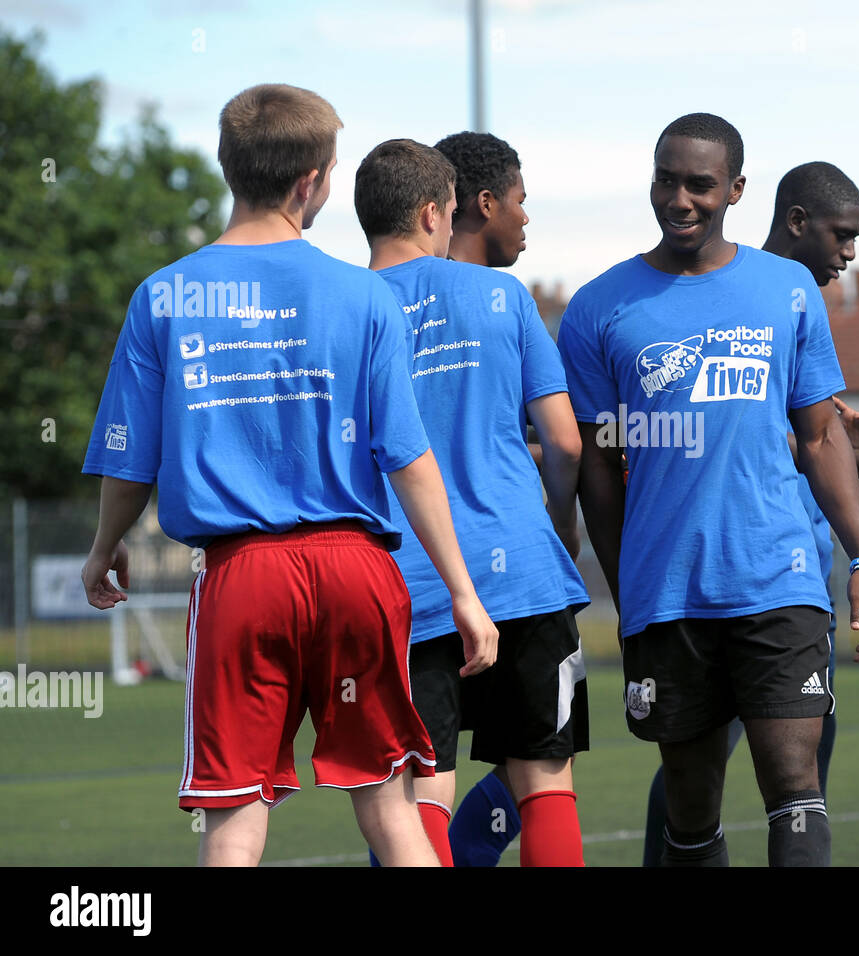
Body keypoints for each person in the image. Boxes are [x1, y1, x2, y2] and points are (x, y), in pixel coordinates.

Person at [79, 85, 496, 867]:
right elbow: (407, 458)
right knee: (391, 807)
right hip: (356, 573)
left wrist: (105, 546)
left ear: (226, 165)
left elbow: (130, 458)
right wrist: (464, 593)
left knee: (233, 819)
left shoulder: (163, 295)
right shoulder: (366, 295)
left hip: (242, 578)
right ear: (312, 181)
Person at [559, 113, 859, 867]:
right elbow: (600, 473)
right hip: (668, 599)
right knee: (691, 805)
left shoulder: (789, 290)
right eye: (665, 180)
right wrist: (625, 593)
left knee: (796, 784)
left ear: (736, 190)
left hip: (779, 581)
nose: (680, 199)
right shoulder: (598, 308)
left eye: (700, 184)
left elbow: (821, 436)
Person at [639, 160, 859, 865]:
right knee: (693, 773)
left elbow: (807, 447)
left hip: (793, 583)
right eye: (842, 234)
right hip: (710, 584)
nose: (850, 253)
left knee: (801, 781)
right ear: (797, 221)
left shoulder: (798, 304)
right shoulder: (735, 296)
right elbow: (747, 443)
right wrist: (858, 464)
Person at [354, 139, 590, 867]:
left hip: (407, 582)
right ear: (437, 211)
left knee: (423, 794)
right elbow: (566, 442)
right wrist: (558, 528)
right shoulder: (504, 297)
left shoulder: (345, 307)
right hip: (521, 570)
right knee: (544, 782)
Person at [434, 131, 528, 268]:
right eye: (520, 202)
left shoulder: (407, 282)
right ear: (486, 203)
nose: (525, 219)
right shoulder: (507, 288)